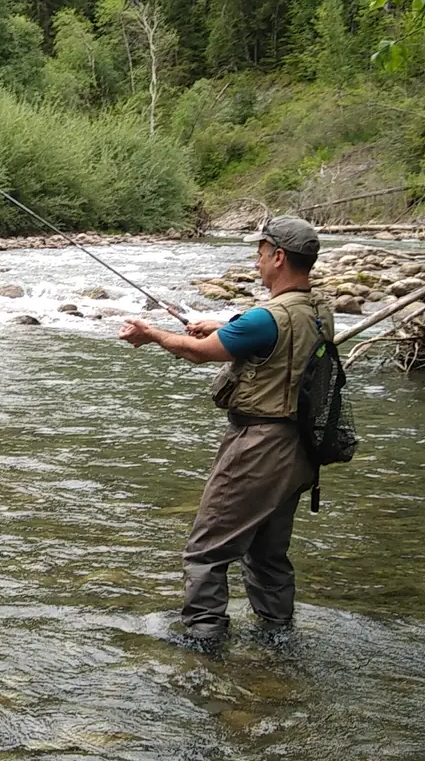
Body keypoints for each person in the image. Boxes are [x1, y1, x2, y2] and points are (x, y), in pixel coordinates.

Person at [118, 215, 334, 648]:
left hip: (259, 447)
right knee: (267, 553)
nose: (256, 263)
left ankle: (204, 643)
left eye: (260, 254)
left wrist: (152, 334)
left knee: (206, 550)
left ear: (278, 256)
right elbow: (278, 344)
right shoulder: (319, 311)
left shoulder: (265, 318)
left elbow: (200, 353)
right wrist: (222, 327)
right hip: (301, 449)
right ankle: (277, 641)